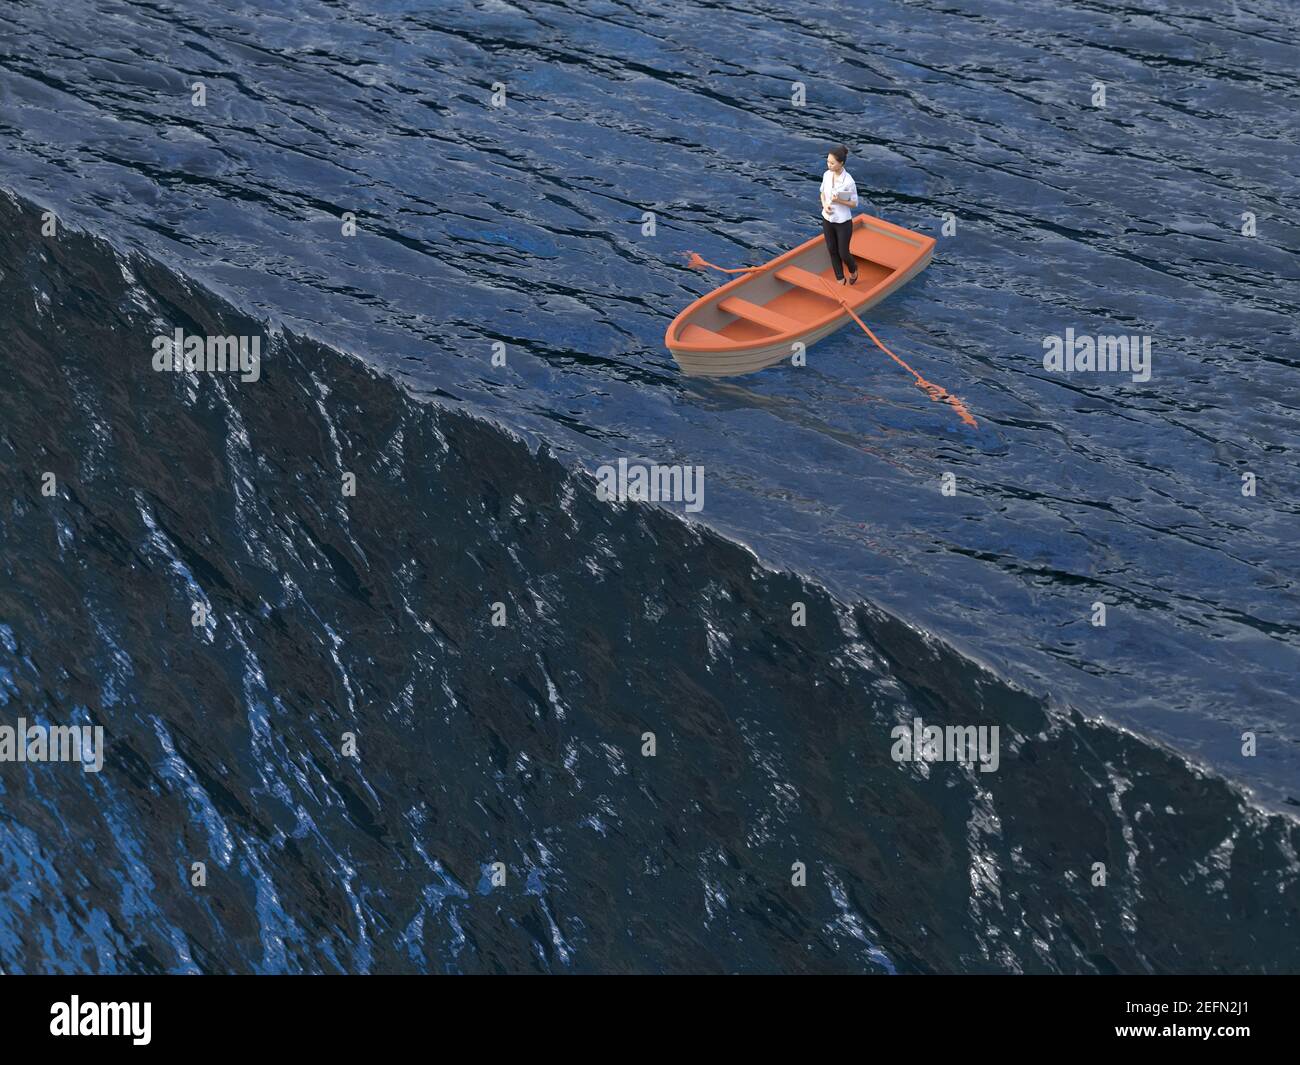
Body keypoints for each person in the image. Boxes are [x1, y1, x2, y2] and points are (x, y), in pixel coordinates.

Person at [819, 144, 859, 285]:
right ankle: (840, 279)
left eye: (832, 163)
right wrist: (825, 204)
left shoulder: (849, 182)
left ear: (841, 163)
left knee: (843, 252)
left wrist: (839, 200)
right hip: (827, 218)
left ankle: (853, 269)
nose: (829, 165)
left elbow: (854, 203)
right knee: (831, 249)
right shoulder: (826, 175)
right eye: (828, 162)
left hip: (843, 222)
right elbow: (822, 192)